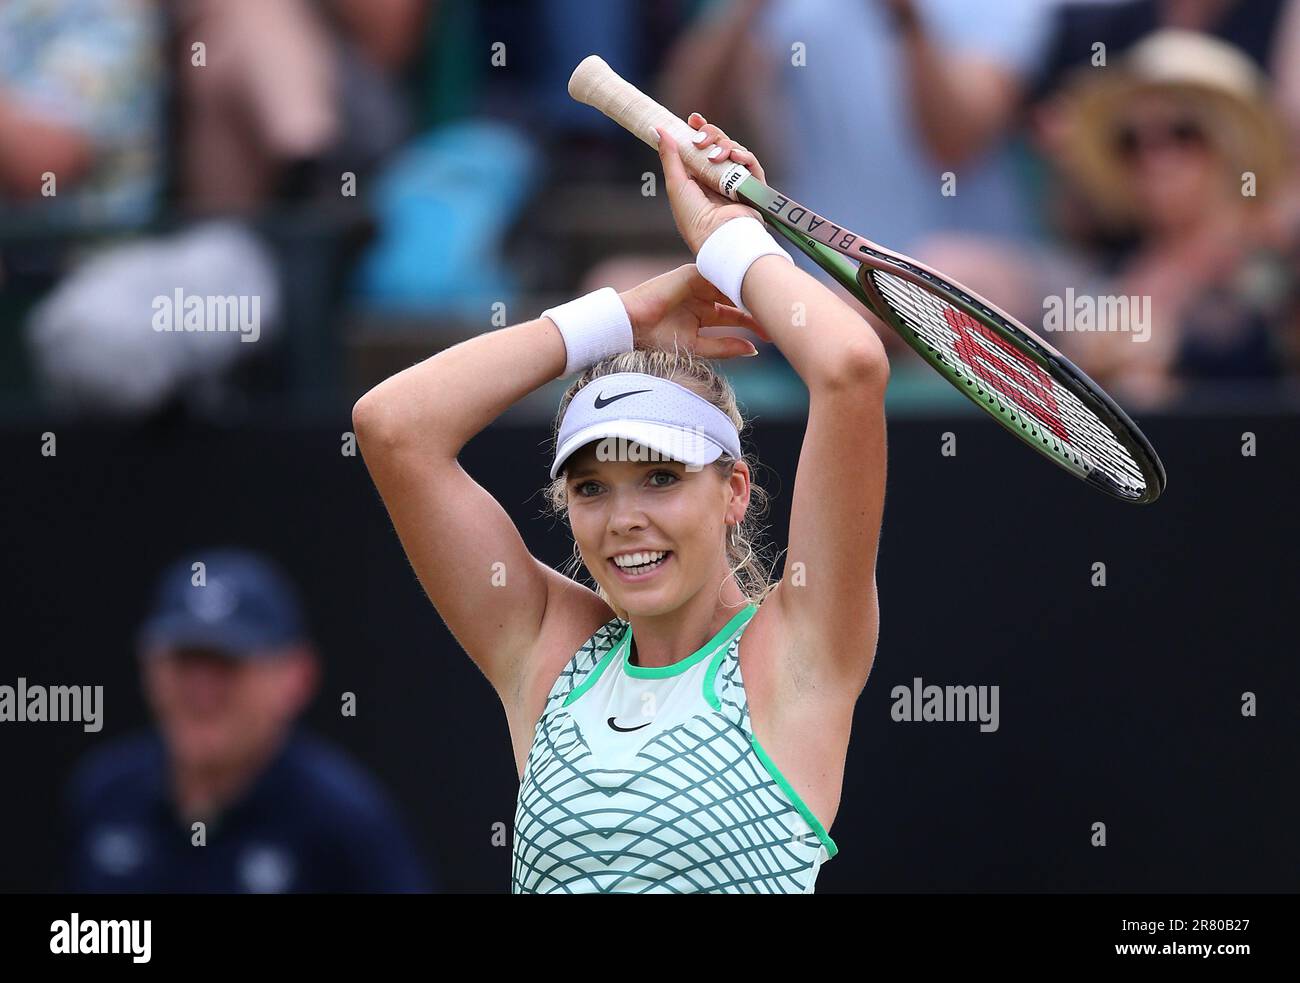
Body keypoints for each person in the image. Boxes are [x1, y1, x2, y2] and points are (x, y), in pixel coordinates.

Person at [353, 114, 888, 893]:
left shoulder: (799, 650)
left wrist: (728, 237)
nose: (623, 517)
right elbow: (392, 427)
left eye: (661, 478)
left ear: (733, 489)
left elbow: (849, 365)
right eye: (592, 487)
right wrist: (621, 317)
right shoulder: (545, 649)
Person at [62, 548, 433, 893]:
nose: (202, 692)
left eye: (228, 665)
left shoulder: (345, 825)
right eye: (184, 662)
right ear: (148, 667)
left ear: (296, 678)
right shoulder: (105, 794)